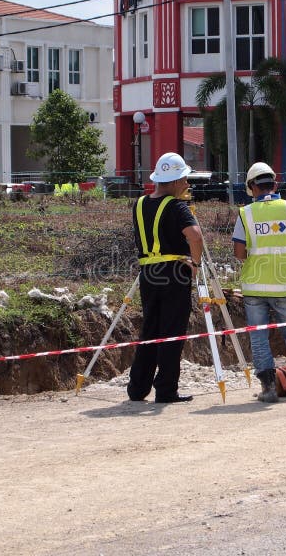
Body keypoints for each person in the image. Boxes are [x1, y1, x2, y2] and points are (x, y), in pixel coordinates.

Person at [233, 162, 286, 402]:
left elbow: (239, 253)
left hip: (254, 287)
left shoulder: (245, 213)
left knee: (259, 338)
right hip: (283, 285)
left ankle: (269, 390)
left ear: (251, 187)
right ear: (275, 184)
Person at [127, 152, 204, 403]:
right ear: (173, 181)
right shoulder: (176, 206)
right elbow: (195, 236)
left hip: (148, 273)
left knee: (150, 330)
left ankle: (138, 388)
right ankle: (166, 389)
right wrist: (195, 262)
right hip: (174, 273)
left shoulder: (139, 204)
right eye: (183, 179)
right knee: (171, 332)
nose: (186, 184)